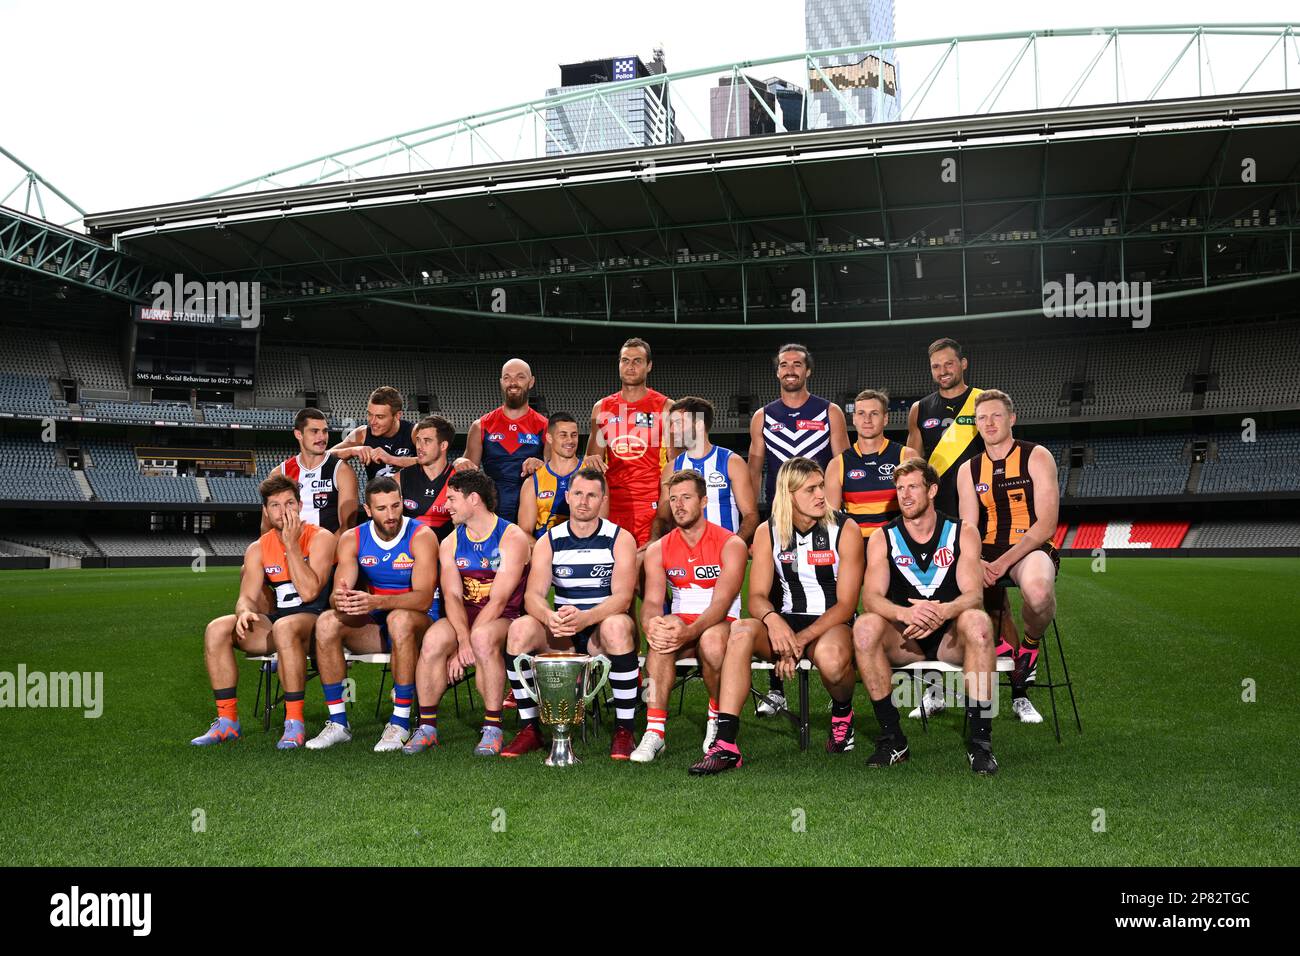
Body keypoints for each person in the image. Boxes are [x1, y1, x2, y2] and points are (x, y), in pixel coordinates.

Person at [689, 458, 862, 775]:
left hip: (830, 621)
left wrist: (797, 641)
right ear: (789, 494)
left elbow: (847, 604)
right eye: (811, 489)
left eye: (821, 486)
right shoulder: (767, 532)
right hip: (785, 619)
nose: (821, 494)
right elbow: (755, 597)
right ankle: (726, 746)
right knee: (740, 631)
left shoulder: (846, 528)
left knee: (833, 658)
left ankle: (842, 713)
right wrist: (773, 621)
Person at [852, 458, 999, 774]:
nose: (905, 495)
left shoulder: (962, 532)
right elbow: (871, 597)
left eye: (913, 487)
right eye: (900, 488)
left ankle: (980, 745)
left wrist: (942, 611)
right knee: (864, 628)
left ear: (932, 490)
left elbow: (973, 594)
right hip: (906, 639)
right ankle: (893, 740)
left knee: (979, 623)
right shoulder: (883, 537)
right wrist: (907, 613)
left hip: (950, 635)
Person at [501, 467, 641, 759]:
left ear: (602, 499)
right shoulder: (549, 540)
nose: (583, 501)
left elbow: (623, 599)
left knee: (617, 625)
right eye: (577, 493)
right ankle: (530, 729)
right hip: (562, 631)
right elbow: (533, 596)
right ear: (567, 496)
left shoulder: (620, 538)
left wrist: (586, 619)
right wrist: (549, 617)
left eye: (592, 495)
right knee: (520, 629)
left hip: (598, 630)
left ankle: (624, 730)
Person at [191, 474, 335, 749]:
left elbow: (308, 593)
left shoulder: (321, 538)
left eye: (290, 503)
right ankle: (227, 722)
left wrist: (292, 545)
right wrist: (244, 611)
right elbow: (246, 596)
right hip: (280, 621)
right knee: (218, 628)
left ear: (300, 504)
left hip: (315, 620)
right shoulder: (258, 548)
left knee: (285, 626)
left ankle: (294, 723)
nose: (284, 511)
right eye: (276, 505)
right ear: (266, 511)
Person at [747, 343, 849, 714]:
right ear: (777, 372)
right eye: (784, 364)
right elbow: (755, 469)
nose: (790, 369)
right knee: (774, 595)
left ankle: (834, 660)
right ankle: (777, 688)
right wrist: (757, 519)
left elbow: (839, 464)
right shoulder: (763, 416)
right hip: (779, 518)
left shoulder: (829, 412)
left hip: (819, 515)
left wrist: (833, 513)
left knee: (822, 586)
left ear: (809, 371)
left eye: (798, 364)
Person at [304, 477, 438, 752]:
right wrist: (340, 599)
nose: (390, 515)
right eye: (381, 509)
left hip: (420, 627)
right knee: (327, 621)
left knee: (398, 619)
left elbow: (424, 599)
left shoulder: (421, 535)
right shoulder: (353, 538)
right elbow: (336, 592)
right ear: (368, 510)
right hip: (380, 625)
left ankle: (400, 723)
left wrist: (376, 601)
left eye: (395, 506)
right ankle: (338, 723)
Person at [406, 468, 531, 756]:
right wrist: (461, 641)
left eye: (451, 499)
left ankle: (493, 727)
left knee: (483, 639)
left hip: (503, 619)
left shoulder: (511, 537)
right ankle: (426, 727)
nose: (445, 505)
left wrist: (469, 641)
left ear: (473, 499)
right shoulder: (450, 542)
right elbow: (450, 595)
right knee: (434, 640)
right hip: (464, 619)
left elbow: (499, 601)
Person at [957, 389, 1060, 725]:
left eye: (996, 415)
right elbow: (968, 525)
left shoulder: (1036, 455)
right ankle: (1000, 654)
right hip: (986, 549)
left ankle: (1029, 647)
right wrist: (977, 559)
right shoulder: (969, 469)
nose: (988, 423)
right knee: (954, 584)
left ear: (1011, 419)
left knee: (1039, 592)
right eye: (982, 417)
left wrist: (1003, 562)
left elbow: (1046, 524)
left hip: (1030, 546)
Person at [629, 471, 747, 763]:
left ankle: (717, 719)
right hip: (683, 619)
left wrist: (689, 632)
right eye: (673, 499)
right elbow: (654, 602)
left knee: (712, 642)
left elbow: (721, 605)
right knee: (660, 641)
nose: (678, 505)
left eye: (686, 498)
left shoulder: (731, 544)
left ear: (704, 501)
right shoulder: (659, 549)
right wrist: (651, 626)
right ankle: (654, 731)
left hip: (721, 621)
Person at [583, 337, 673, 550]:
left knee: (646, 576)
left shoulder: (667, 407)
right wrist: (590, 459)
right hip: (612, 505)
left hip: (652, 506)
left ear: (649, 366)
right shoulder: (601, 408)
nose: (630, 366)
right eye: (625, 360)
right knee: (612, 575)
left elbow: (677, 464)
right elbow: (591, 461)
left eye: (637, 361)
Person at [651, 396, 757, 543]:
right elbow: (663, 517)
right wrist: (654, 541)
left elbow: (750, 515)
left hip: (723, 552)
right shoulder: (671, 468)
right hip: (684, 554)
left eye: (678, 423)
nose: (671, 430)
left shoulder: (732, 462)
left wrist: (735, 545)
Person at [456, 358, 547, 526]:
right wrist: (459, 461)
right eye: (507, 378)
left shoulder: (545, 427)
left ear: (531, 381)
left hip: (532, 514)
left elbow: (555, 474)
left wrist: (542, 465)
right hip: (491, 512)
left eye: (520, 377)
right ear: (501, 382)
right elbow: (467, 475)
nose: (513, 383)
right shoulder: (481, 426)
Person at [825, 389, 915, 541]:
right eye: (861, 413)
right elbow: (830, 521)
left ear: (885, 418)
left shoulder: (906, 456)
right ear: (853, 418)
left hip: (898, 544)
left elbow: (919, 508)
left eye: (874, 413)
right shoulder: (837, 465)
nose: (867, 419)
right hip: (856, 545)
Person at [264, 407, 357, 532]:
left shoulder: (342, 471)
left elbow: (347, 527)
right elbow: (267, 526)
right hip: (289, 547)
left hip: (330, 548)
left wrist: (323, 550)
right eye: (314, 431)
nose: (322, 437)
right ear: (298, 434)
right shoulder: (281, 473)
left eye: (325, 431)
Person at [517, 412, 584, 539]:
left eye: (574, 435)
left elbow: (601, 526)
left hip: (582, 554)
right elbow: (524, 533)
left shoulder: (592, 477)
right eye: (563, 435)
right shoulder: (533, 481)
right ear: (549, 438)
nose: (570, 440)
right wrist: (544, 555)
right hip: (545, 553)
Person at [329, 386, 417, 481]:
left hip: (411, 494)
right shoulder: (361, 434)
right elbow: (324, 457)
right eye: (370, 414)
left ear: (397, 415)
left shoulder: (414, 432)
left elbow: (434, 462)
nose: (372, 422)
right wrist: (352, 450)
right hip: (376, 494)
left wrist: (391, 459)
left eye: (380, 417)